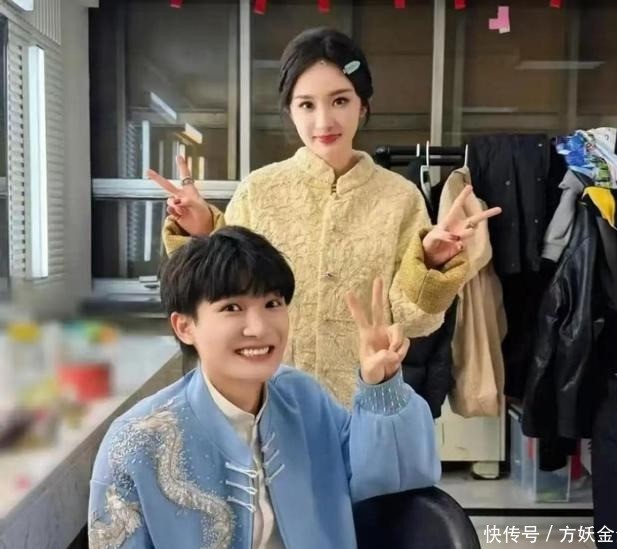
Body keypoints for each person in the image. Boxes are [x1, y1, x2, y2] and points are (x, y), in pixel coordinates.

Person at [150, 27, 501, 406]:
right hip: (267, 400)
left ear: (362, 105)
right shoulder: (259, 191)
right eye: (307, 105)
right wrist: (202, 233)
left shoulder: (400, 198)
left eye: (340, 100)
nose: (324, 121)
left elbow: (414, 322)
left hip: (363, 401)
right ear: (290, 110)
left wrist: (429, 264)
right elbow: (222, 299)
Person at [89, 226, 441, 549]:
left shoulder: (304, 400)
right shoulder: (137, 441)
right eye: (232, 308)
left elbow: (391, 479)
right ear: (185, 327)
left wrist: (381, 387)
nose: (259, 328)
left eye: (272, 304)